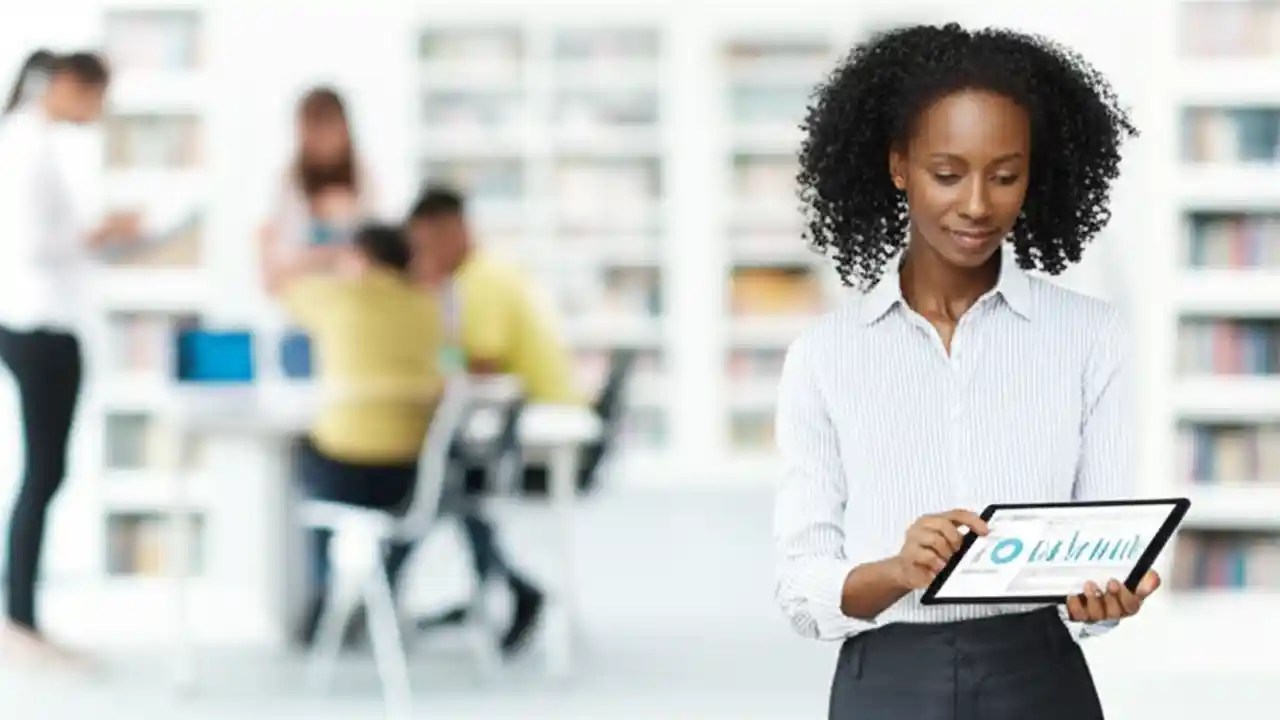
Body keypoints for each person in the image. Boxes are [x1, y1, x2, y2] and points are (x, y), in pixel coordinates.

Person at [774, 24, 1156, 718]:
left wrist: (1108, 599)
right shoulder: (826, 356)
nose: (977, 204)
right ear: (899, 167)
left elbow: (1105, 547)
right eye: (947, 174)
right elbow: (801, 589)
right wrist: (895, 570)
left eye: (1005, 175)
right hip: (887, 676)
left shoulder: (1090, 337)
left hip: (1039, 676)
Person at [0, 49, 138, 667]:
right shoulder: (26, 147)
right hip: (39, 326)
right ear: (67, 86)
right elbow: (30, 244)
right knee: (44, 471)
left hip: (42, 322)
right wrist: (99, 235)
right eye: (97, 96)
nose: (100, 110)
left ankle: (22, 614)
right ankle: (19, 618)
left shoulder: (33, 142)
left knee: (46, 471)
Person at [266, 223, 442, 647]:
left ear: (359, 258)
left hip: (339, 470)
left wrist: (322, 257)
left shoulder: (335, 296)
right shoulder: (426, 306)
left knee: (302, 455)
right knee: (417, 506)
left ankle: (325, 591)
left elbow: (274, 281)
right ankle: (384, 588)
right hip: (407, 476)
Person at [260, 87, 379, 283]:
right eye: (313, 127)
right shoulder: (289, 179)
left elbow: (371, 249)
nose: (320, 137)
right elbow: (281, 261)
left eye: (326, 125)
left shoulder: (364, 176)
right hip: (304, 291)